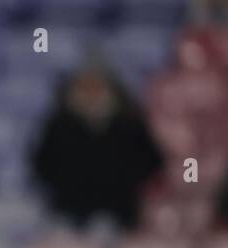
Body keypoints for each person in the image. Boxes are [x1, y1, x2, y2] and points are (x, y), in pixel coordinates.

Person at [30, 63, 164, 231]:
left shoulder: (130, 125)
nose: (91, 96)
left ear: (112, 92)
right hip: (71, 216)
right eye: (85, 88)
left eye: (98, 88)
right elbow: (41, 166)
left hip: (122, 214)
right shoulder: (58, 127)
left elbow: (152, 163)